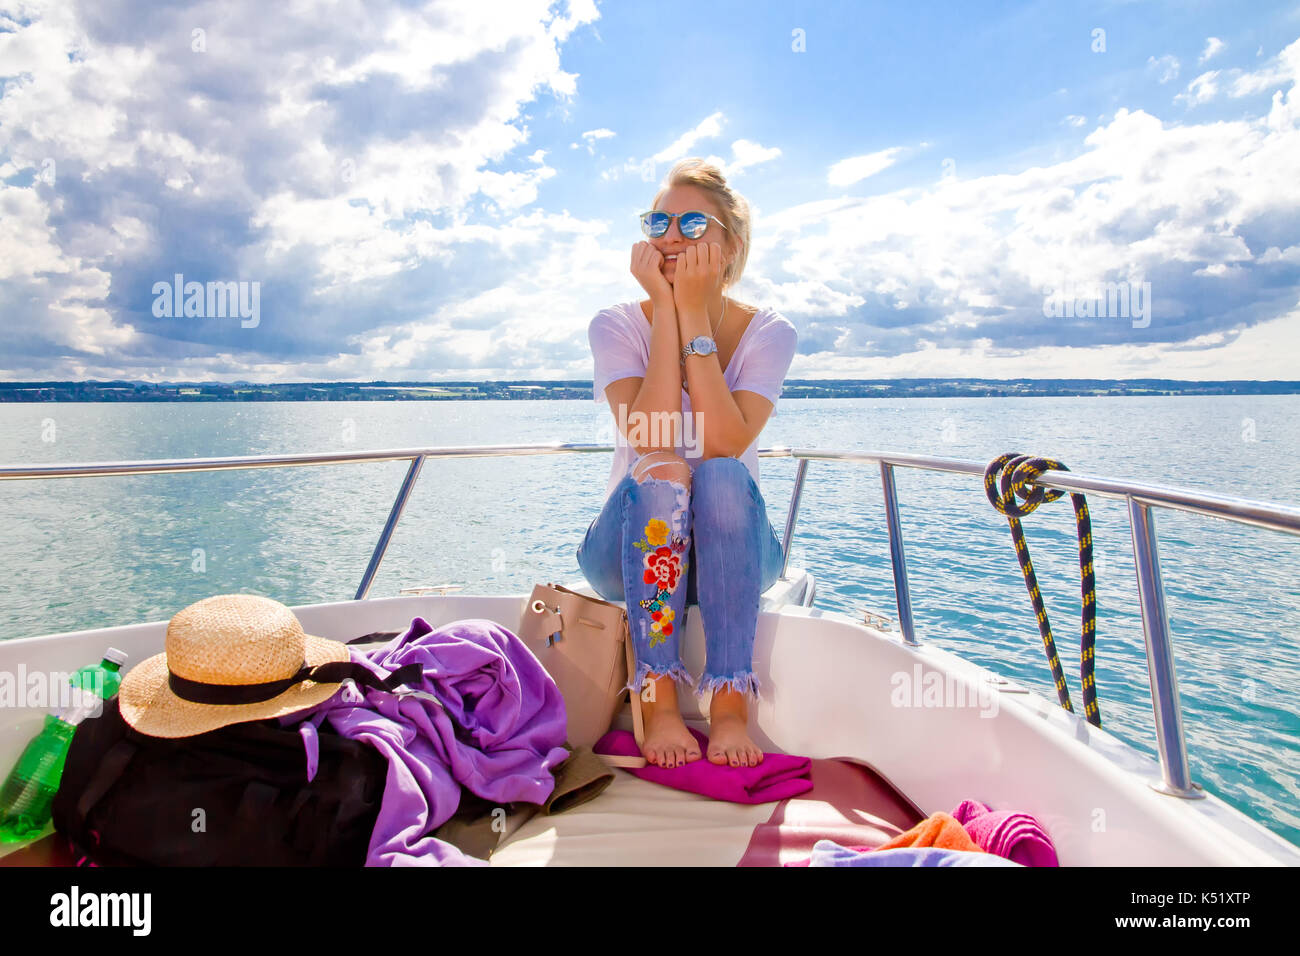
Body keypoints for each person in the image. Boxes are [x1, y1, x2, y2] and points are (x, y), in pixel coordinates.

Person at [576, 157, 798, 769]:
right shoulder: (615, 325)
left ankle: (729, 704)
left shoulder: (769, 332)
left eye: (692, 225)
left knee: (722, 474)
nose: (669, 236)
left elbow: (726, 443)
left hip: (731, 554)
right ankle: (658, 695)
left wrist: (695, 311)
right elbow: (649, 437)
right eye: (658, 221)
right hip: (633, 551)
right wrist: (667, 309)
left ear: (732, 245)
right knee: (663, 469)